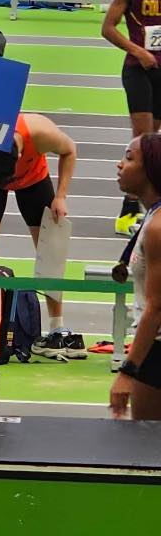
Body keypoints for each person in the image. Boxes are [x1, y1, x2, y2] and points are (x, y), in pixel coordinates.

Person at [0, 112, 81, 356]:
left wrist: (61, 196)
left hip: (33, 179)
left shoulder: (40, 133)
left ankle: (56, 327)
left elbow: (70, 150)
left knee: (50, 248)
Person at [102, 0, 161, 236]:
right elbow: (108, 28)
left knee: (157, 141)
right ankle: (127, 210)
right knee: (143, 138)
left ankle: (153, 207)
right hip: (138, 70)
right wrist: (138, 51)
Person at [110, 133, 161, 420]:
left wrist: (128, 372)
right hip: (152, 347)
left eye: (129, 158)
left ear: (151, 169)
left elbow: (156, 307)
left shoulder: (158, 227)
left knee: (148, 450)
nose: (120, 165)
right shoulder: (151, 218)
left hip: (156, 351)